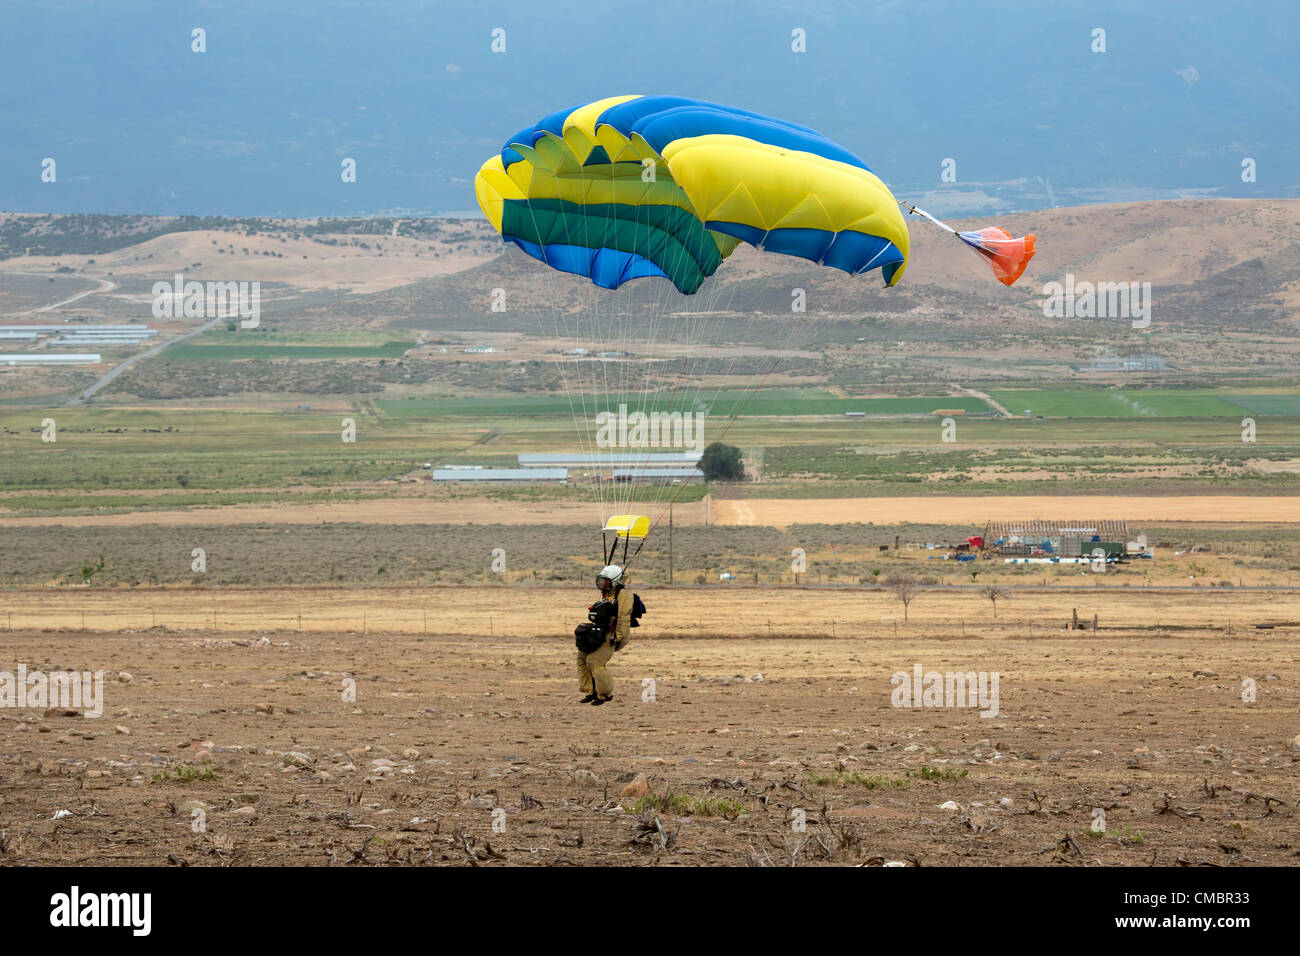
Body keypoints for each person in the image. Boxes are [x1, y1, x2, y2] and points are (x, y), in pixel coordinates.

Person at [574, 564, 644, 706]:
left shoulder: (624, 595)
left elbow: (624, 616)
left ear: (615, 581)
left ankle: (605, 694)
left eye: (605, 581)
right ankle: (591, 690)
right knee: (582, 657)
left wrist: (618, 636)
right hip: (601, 631)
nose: (602, 584)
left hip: (614, 633)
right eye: (601, 581)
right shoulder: (607, 594)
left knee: (595, 660)